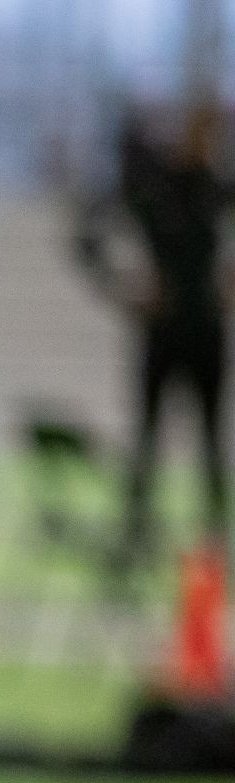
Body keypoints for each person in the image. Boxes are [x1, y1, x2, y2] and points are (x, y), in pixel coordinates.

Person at [76, 103, 233, 569]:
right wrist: (123, 286)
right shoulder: (154, 190)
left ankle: (213, 541)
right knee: (146, 441)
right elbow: (88, 235)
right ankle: (136, 536)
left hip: (206, 331)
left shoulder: (214, 187)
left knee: (210, 443)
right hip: (162, 332)